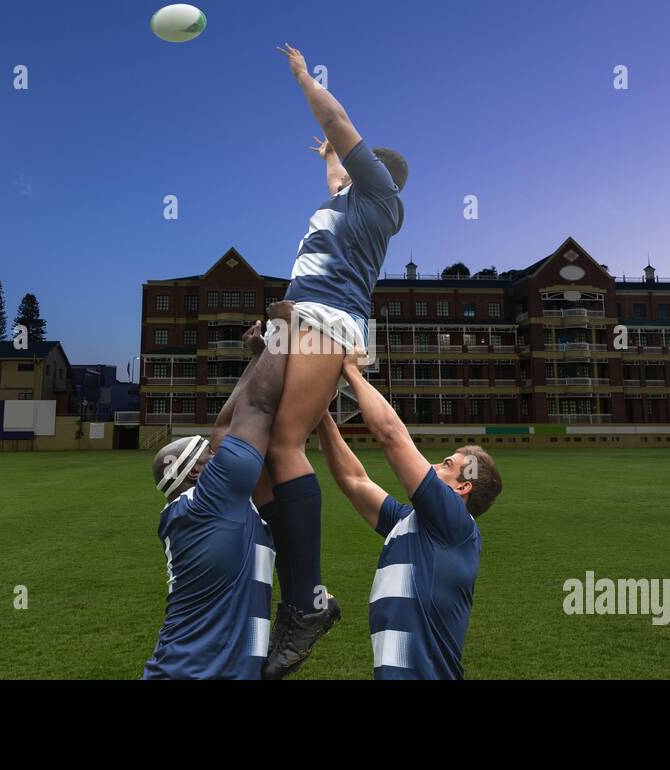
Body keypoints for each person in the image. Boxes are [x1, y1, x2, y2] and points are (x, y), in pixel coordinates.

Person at [259, 43, 409, 679]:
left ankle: (307, 601)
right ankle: (272, 577)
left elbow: (341, 126)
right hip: (295, 314)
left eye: (351, 164)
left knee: (287, 444)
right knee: (254, 446)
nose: (343, 166)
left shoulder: (379, 200)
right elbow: (336, 162)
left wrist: (301, 76)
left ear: (373, 172)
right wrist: (326, 160)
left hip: (326, 318)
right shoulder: (344, 198)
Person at [314, 350, 503, 679]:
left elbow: (391, 436)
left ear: (462, 490)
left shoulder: (454, 525)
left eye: (446, 465)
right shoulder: (409, 522)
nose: (431, 466)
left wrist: (351, 370)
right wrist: (318, 410)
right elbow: (353, 480)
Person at [142, 320, 288, 679]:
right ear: (195, 473)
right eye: (210, 453)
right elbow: (256, 407)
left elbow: (223, 427)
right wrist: (286, 330)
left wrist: (256, 358)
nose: (219, 452)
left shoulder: (200, 506)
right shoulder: (212, 499)